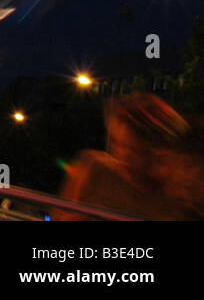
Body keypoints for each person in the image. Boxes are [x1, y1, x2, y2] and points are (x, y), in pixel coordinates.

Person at [56, 93, 189, 220]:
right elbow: (60, 215)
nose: (122, 156)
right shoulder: (95, 168)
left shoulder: (175, 196)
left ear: (156, 150)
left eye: (133, 150)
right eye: (115, 143)